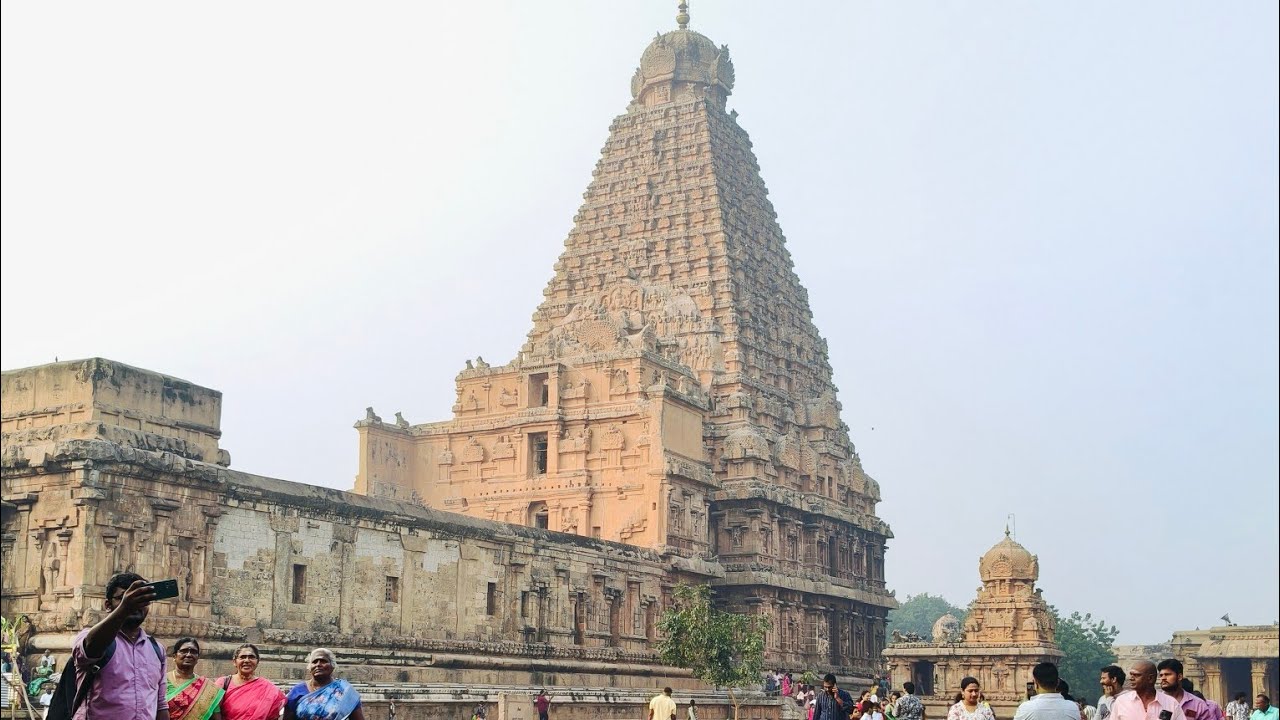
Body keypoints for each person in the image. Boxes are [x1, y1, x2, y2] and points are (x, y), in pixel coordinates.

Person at [71, 571, 169, 720]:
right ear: (108, 605)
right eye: (123, 598)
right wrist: (125, 608)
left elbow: (160, 704)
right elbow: (90, 647)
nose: (134, 604)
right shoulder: (91, 637)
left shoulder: (156, 649)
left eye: (141, 599)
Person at [283, 648, 364, 720]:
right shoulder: (297, 691)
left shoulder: (344, 691)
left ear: (332, 666)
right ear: (310, 668)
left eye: (323, 661)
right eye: (314, 662)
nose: (318, 664)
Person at [217, 643, 285, 720]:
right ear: (234, 662)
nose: (247, 660)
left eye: (251, 657)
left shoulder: (269, 689)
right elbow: (212, 712)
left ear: (257, 661)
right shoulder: (223, 683)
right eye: (242, 657)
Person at [166, 637, 225, 720]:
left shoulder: (208, 688)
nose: (189, 654)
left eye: (193, 652)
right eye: (184, 651)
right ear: (174, 656)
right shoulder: (161, 681)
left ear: (197, 658)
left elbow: (216, 718)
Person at [1111, 661, 1185, 720]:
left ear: (1150, 678)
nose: (1131, 678)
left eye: (1136, 675)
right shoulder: (1122, 701)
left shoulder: (1171, 704)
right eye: (1131, 674)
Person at [1013, 663, 1082, 720]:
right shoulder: (1072, 707)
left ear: (1035, 683)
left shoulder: (1026, 708)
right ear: (1058, 682)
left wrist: (1025, 701)